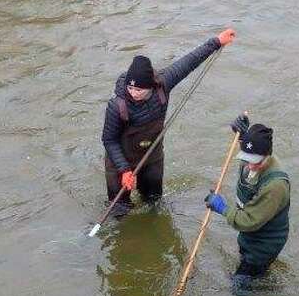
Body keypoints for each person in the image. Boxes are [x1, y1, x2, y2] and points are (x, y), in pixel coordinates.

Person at [101, 28, 236, 214]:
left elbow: (188, 62)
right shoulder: (117, 106)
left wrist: (217, 42)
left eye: (139, 90)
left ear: (150, 86)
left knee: (154, 203)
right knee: (119, 209)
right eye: (130, 89)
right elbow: (109, 140)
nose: (134, 93)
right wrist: (124, 170)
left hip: (152, 155)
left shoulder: (163, 85)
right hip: (120, 160)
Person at [205, 116, 291, 291]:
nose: (250, 166)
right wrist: (243, 136)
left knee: (239, 288)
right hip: (249, 236)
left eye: (256, 162)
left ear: (268, 155)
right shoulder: (253, 158)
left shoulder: (275, 186)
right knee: (246, 264)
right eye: (246, 158)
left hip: (264, 243)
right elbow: (251, 148)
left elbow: (247, 221)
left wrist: (222, 208)